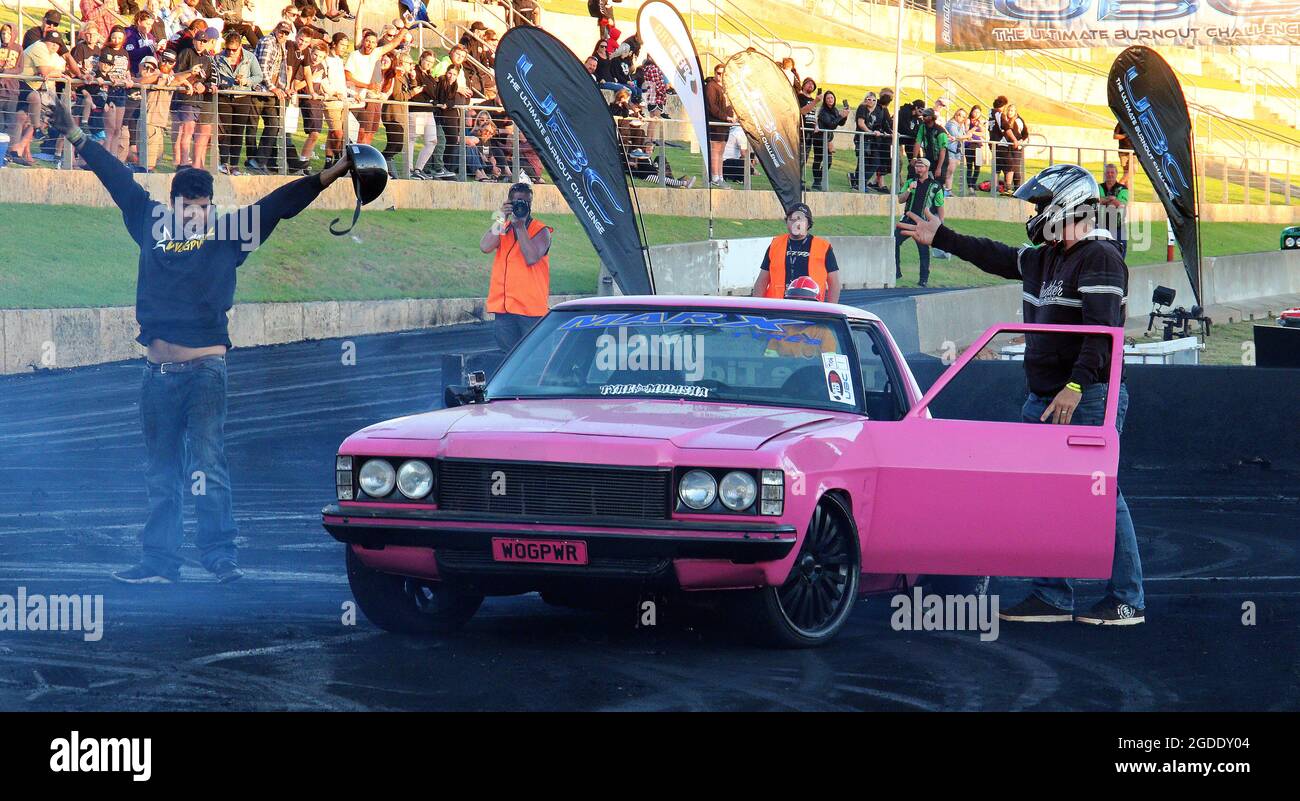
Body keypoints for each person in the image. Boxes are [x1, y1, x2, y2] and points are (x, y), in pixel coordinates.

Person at [45, 99, 354, 584]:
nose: (198, 216)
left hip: (207, 370)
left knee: (208, 465)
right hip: (157, 373)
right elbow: (117, 179)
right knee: (161, 472)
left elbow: (279, 205)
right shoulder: (147, 223)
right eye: (191, 208)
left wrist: (329, 175)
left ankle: (219, 557)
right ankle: (160, 562)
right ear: (173, 206)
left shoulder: (230, 234)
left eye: (205, 208)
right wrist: (79, 138)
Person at [898, 164, 1143, 626]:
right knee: (1047, 495)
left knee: (1102, 495)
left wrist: (1076, 385)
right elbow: (995, 254)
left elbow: (1104, 334)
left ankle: (1128, 597)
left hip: (1087, 397)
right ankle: (1051, 596)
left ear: (1068, 204)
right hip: (1045, 396)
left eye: (1040, 205)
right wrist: (943, 236)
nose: (1035, 213)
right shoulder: (1046, 256)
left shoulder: (1100, 257)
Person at [480, 182, 554, 352]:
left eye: (526, 202)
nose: (523, 205)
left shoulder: (541, 230)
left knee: (534, 357)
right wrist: (500, 216)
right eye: (518, 202)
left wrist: (520, 228)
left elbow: (531, 257)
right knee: (509, 360)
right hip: (504, 308)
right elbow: (485, 247)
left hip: (531, 310)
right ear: (510, 203)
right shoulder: (503, 226)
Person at [752, 203, 843, 303]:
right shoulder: (775, 244)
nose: (796, 223)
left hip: (811, 309)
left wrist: (830, 311)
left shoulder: (823, 247)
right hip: (777, 308)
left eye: (800, 219)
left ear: (808, 224)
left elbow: (834, 284)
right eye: (792, 219)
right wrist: (756, 306)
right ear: (787, 222)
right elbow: (762, 281)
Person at [895, 156, 943, 287]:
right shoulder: (910, 181)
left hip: (924, 224)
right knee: (894, 242)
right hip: (907, 221)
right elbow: (900, 199)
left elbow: (940, 206)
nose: (918, 168)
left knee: (923, 251)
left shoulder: (935, 186)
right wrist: (909, 189)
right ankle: (896, 272)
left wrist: (941, 224)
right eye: (916, 166)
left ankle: (923, 279)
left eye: (921, 166)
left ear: (927, 168)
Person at [810, 90, 847, 191]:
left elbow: (840, 124)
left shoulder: (834, 110)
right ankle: (816, 182)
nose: (830, 100)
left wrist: (845, 116)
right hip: (819, 138)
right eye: (828, 98)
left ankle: (818, 180)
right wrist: (840, 116)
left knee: (828, 161)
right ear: (825, 101)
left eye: (831, 98)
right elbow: (831, 124)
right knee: (818, 159)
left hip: (827, 138)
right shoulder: (823, 111)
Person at [704, 64, 733, 188]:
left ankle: (720, 175)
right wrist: (725, 117)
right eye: (718, 73)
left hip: (724, 124)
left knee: (721, 151)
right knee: (715, 149)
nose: (720, 76)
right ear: (715, 73)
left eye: (723, 73)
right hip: (716, 122)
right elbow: (712, 107)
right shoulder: (711, 86)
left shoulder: (725, 87)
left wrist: (731, 116)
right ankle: (715, 176)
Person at [1098, 162, 1129, 256]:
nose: (1110, 174)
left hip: (1118, 226)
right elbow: (1097, 201)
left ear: (1116, 174)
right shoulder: (1099, 187)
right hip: (1101, 226)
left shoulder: (1123, 189)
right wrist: (1112, 199)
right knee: (1101, 253)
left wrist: (1105, 200)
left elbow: (1120, 204)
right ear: (1104, 174)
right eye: (1108, 172)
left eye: (1112, 172)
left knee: (1120, 252)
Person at [965, 102, 985, 190]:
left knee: (978, 167)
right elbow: (967, 132)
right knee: (970, 166)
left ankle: (973, 184)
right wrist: (974, 128)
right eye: (975, 112)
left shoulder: (980, 122)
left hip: (978, 146)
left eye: (978, 112)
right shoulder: (968, 120)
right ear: (972, 112)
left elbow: (983, 133)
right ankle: (970, 186)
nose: (976, 114)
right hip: (969, 146)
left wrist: (975, 131)